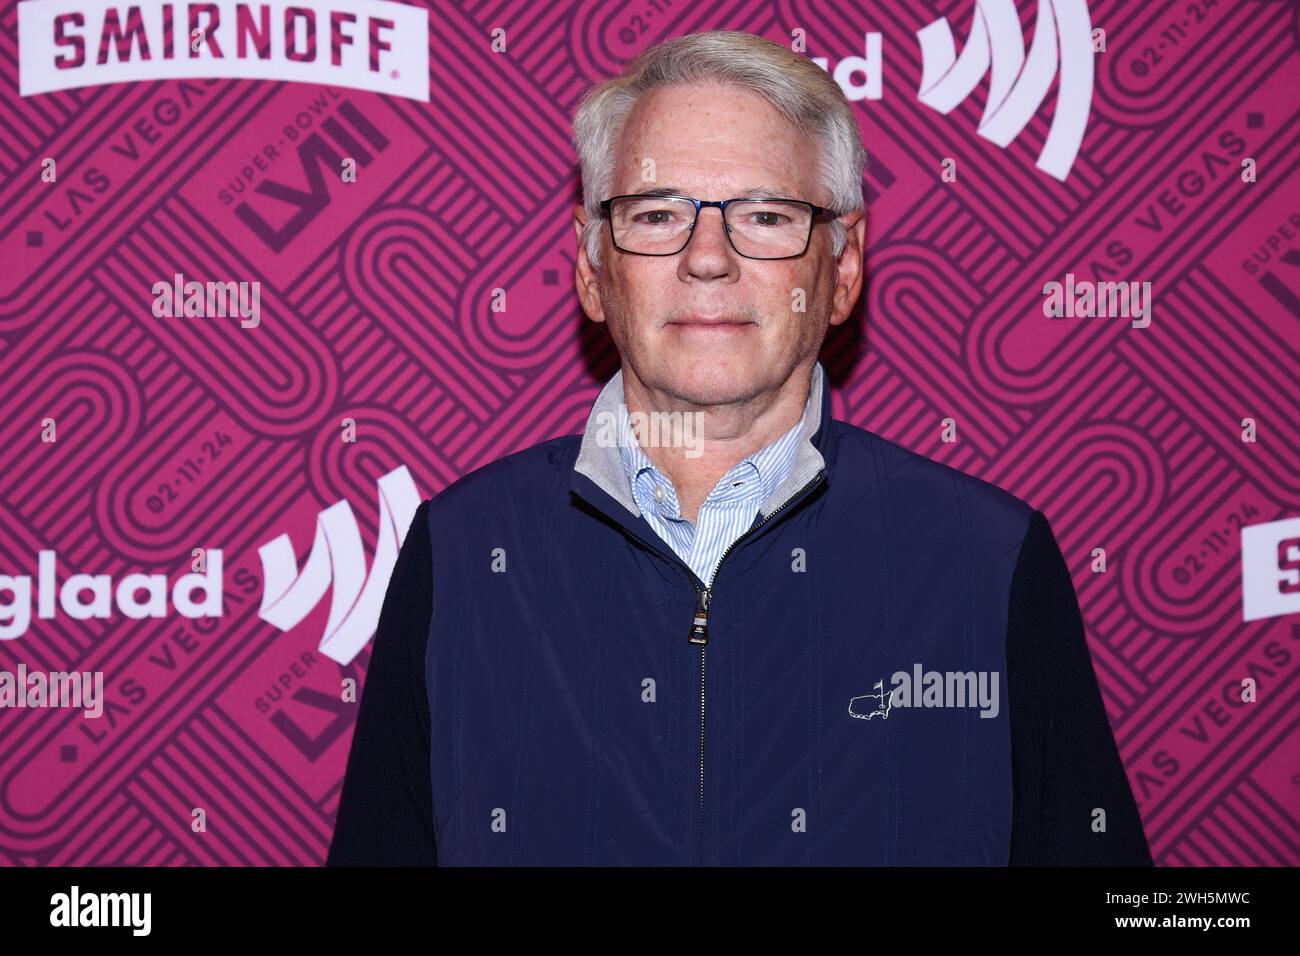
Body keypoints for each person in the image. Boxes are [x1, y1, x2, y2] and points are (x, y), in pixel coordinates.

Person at [327, 30, 1152, 866]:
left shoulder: (986, 555)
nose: (708, 259)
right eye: (657, 214)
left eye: (766, 215)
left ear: (845, 264)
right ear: (588, 265)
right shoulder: (467, 548)